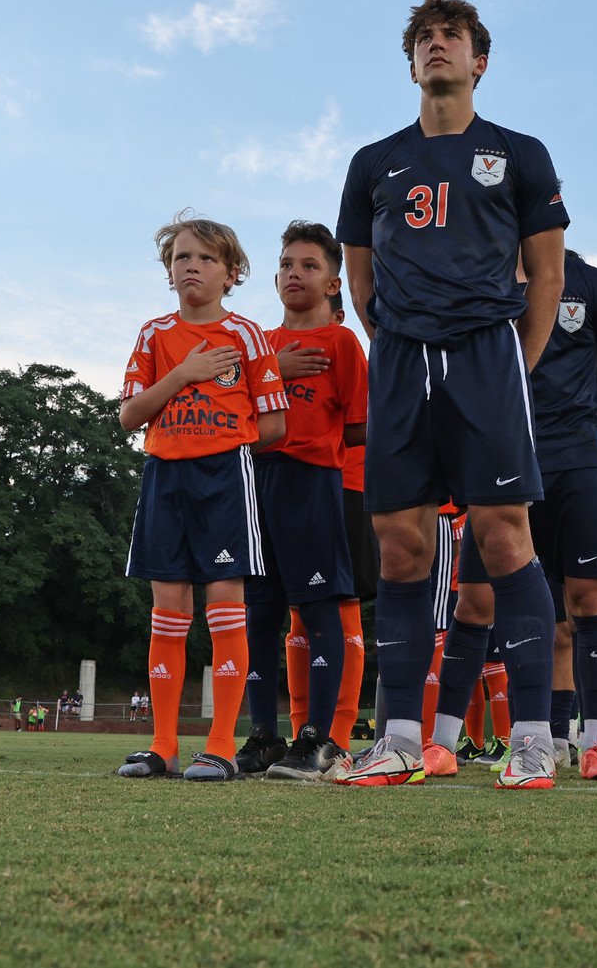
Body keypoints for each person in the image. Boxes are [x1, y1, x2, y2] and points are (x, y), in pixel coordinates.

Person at [333, 0, 569, 790]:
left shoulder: (521, 152)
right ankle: (399, 738)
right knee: (402, 546)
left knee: (502, 537)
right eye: (425, 39)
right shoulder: (373, 162)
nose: (438, 46)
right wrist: (400, 341)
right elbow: (360, 281)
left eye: (452, 36)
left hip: (486, 355)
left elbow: (547, 274)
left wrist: (515, 359)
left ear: (480, 61)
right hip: (403, 359)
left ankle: (533, 738)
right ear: (411, 64)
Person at [424, 249, 597, 783]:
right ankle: (443, 744)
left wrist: (576, 434)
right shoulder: (481, 273)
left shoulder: (594, 284)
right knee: (473, 602)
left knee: (590, 597)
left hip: (577, 462)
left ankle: (593, 747)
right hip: (499, 459)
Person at [116, 212, 288, 781]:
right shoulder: (154, 334)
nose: (191, 265)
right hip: (164, 474)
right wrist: (185, 374)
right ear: (169, 273)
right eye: (180, 258)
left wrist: (220, 440)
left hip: (223, 477)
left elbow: (273, 426)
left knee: (223, 603)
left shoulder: (247, 335)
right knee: (167, 608)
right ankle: (163, 745)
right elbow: (129, 416)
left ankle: (219, 744)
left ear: (231, 272)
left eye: (205, 258)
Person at [237, 221, 368, 782]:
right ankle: (263, 735)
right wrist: (269, 371)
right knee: (258, 613)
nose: (296, 273)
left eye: (310, 265)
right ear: (274, 277)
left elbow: (362, 431)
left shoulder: (341, 343)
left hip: (312, 480)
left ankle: (321, 739)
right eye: (288, 264)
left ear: (334, 282)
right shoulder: (257, 345)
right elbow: (227, 413)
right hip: (252, 477)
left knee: (318, 609)